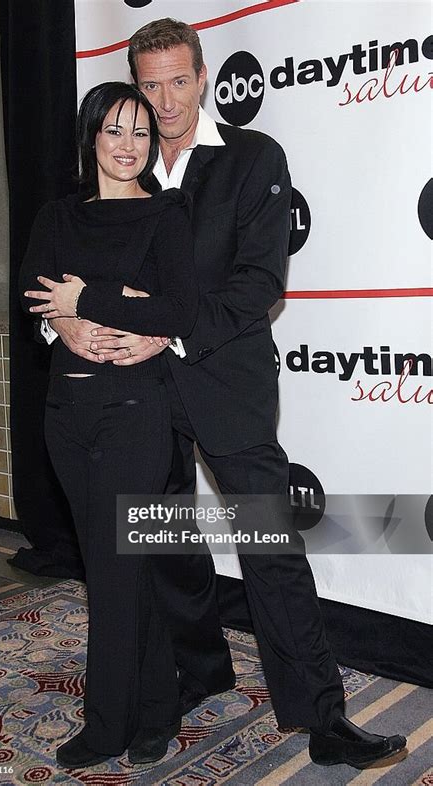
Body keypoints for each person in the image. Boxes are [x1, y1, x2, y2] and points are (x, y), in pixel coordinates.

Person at [43, 20, 407, 771]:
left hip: (223, 383)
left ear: (204, 77)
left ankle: (322, 714)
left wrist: (164, 333)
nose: (166, 101)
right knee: (161, 543)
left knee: (269, 545)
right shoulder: (124, 166)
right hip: (135, 396)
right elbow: (70, 268)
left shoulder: (252, 158)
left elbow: (258, 284)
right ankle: (194, 674)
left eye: (179, 81)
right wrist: (67, 323)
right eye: (150, 85)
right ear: (135, 85)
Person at [19, 81, 199, 768]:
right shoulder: (57, 216)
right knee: (116, 566)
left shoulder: (167, 214)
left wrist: (84, 295)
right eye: (115, 130)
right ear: (91, 135)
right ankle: (156, 707)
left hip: (134, 415)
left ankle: (107, 724)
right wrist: (67, 318)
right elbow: (33, 293)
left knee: (115, 574)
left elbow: (177, 311)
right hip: (66, 416)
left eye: (142, 132)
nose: (129, 145)